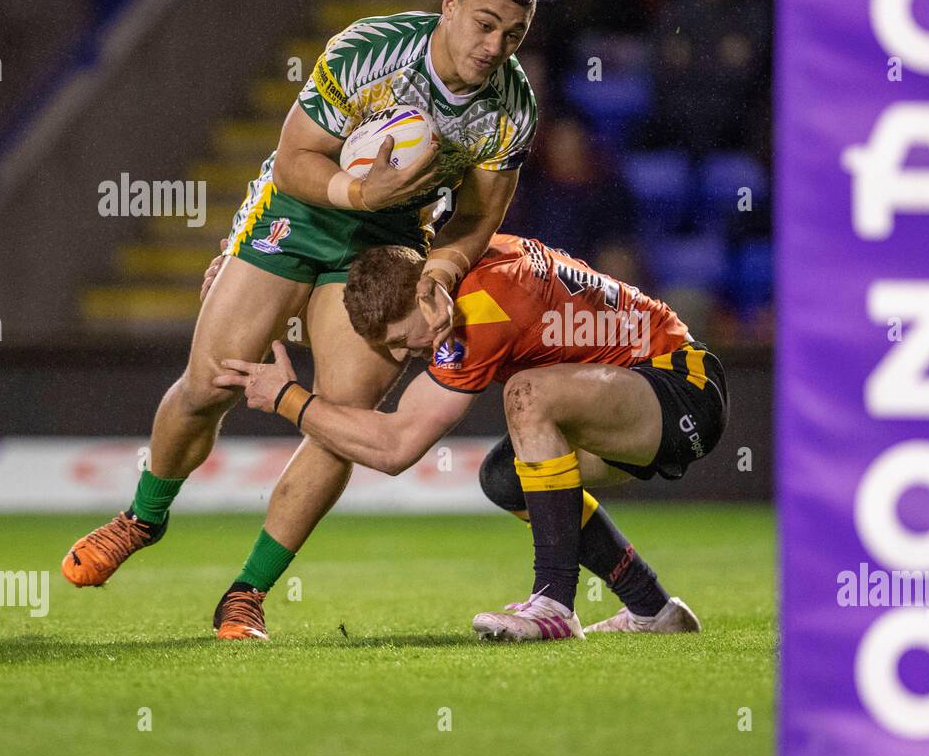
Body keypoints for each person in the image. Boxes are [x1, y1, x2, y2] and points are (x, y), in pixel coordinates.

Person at [60, 0, 540, 644]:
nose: (494, 48)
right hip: (303, 209)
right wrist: (357, 192)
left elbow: (477, 219)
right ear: (450, 6)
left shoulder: (511, 105)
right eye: (486, 24)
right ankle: (143, 516)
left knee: (341, 416)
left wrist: (439, 272)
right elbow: (293, 160)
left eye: (514, 36)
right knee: (209, 382)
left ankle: (246, 594)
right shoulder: (368, 52)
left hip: (391, 238)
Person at [213, 233, 728, 641]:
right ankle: (653, 608)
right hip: (641, 395)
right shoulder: (453, 274)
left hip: (683, 389)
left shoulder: (482, 305)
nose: (400, 355)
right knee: (506, 478)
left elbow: (395, 448)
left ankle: (553, 604)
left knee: (527, 395)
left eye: (399, 339)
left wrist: (288, 399)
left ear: (420, 295)